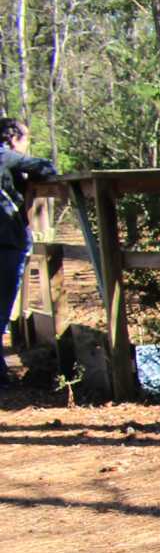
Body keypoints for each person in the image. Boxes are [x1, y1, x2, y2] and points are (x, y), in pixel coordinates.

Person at [0, 117, 58, 385]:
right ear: (13, 139)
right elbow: (46, 168)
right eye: (25, 139)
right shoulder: (8, 158)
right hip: (6, 240)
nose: (26, 145)